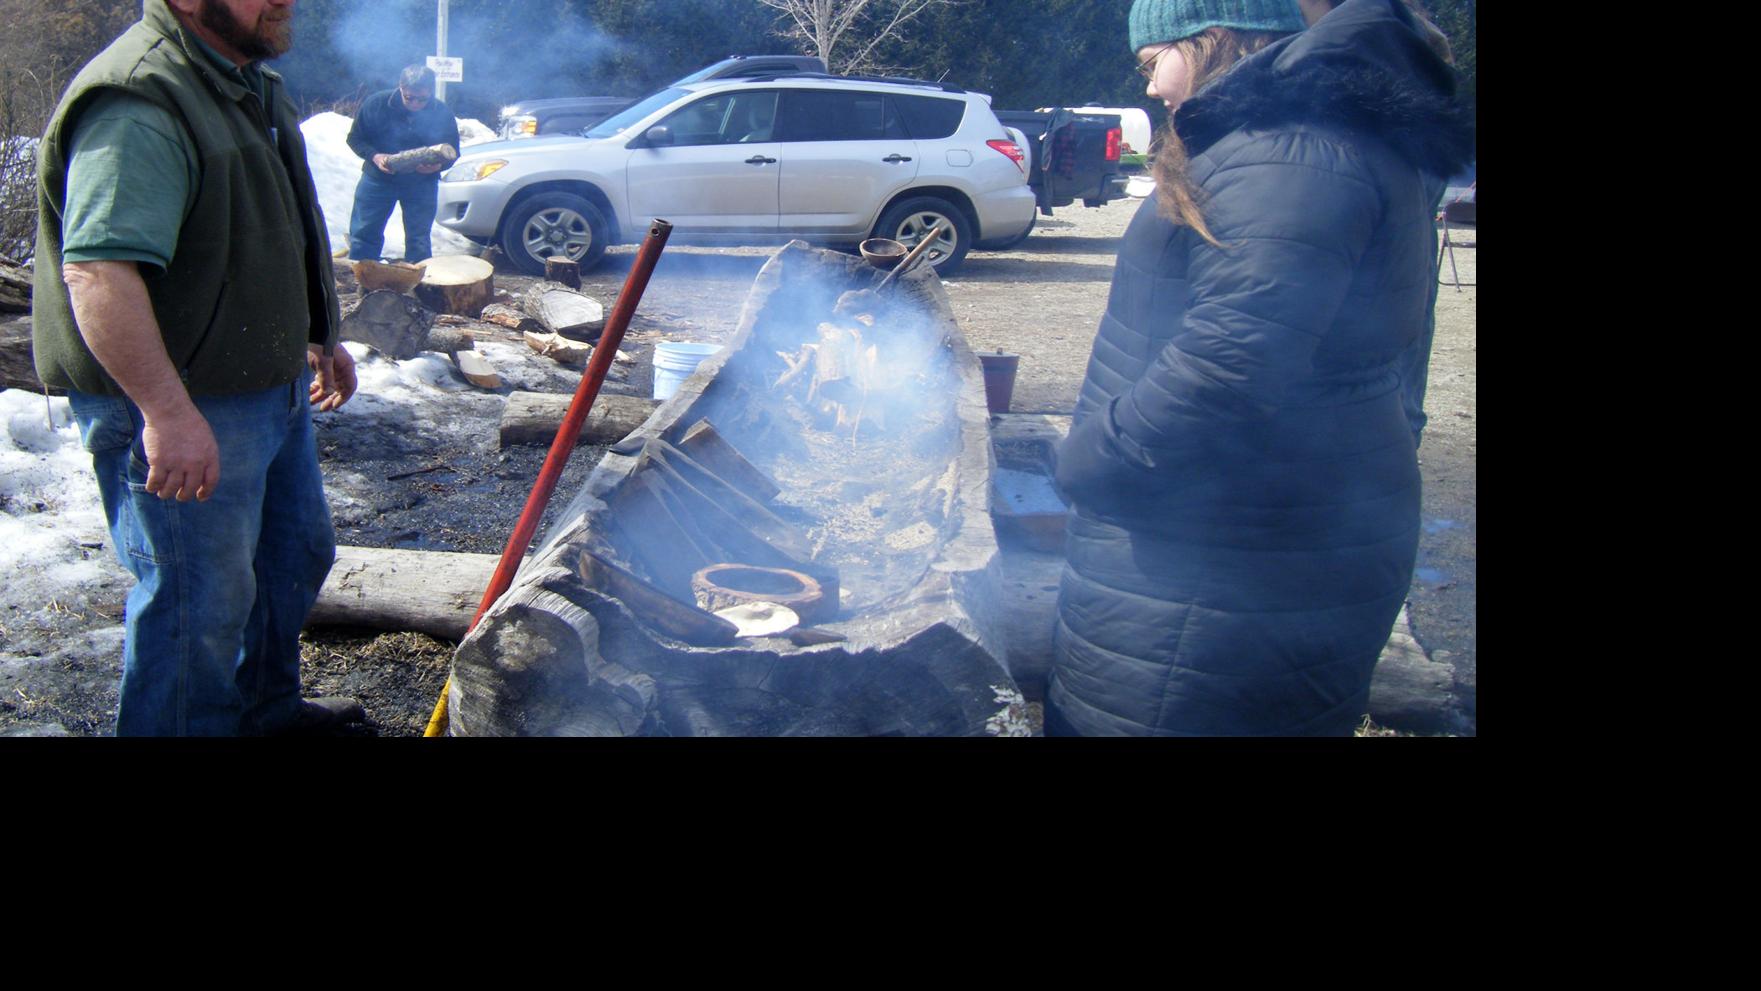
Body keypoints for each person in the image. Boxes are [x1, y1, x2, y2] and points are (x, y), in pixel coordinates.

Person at [1046, 0, 1475, 735]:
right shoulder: (1317, 136)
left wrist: (1087, 461)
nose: (1152, 89)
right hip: (1271, 537)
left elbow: (1228, 367)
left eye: (1155, 64)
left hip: (1221, 567)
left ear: (1212, 38)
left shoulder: (1287, 148)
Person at [32, 0, 362, 736]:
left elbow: (266, 229)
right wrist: (168, 413)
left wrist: (316, 333)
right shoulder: (142, 97)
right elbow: (99, 272)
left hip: (263, 383)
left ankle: (263, 712)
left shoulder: (242, 81)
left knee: (292, 557)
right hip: (186, 398)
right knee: (198, 602)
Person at [346, 64, 459, 264]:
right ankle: (363, 280)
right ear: (400, 87)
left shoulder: (442, 112)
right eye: (409, 97)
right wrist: (375, 156)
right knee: (365, 231)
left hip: (421, 183)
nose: (415, 103)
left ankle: (420, 284)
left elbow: (453, 152)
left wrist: (439, 166)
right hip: (378, 179)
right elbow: (355, 138)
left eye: (422, 99)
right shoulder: (376, 104)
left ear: (430, 92)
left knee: (419, 238)